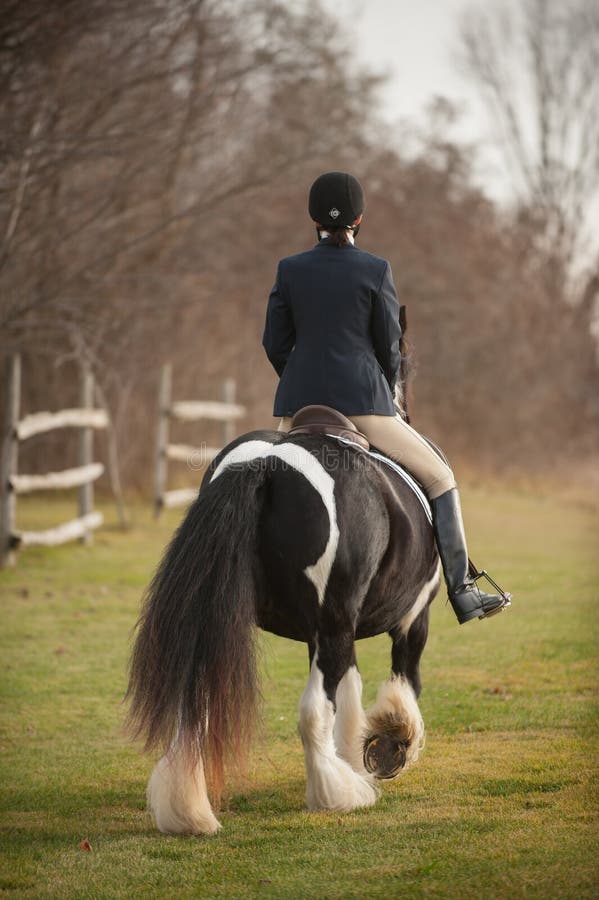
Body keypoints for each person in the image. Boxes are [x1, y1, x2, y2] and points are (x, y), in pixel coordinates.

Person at [262, 171, 510, 624]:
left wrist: (300, 380)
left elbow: (274, 343)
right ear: (359, 218)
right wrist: (379, 385)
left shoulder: (289, 269)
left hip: (297, 406)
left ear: (312, 218)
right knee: (439, 477)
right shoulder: (375, 269)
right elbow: (388, 343)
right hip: (363, 403)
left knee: (260, 480)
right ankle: (463, 591)